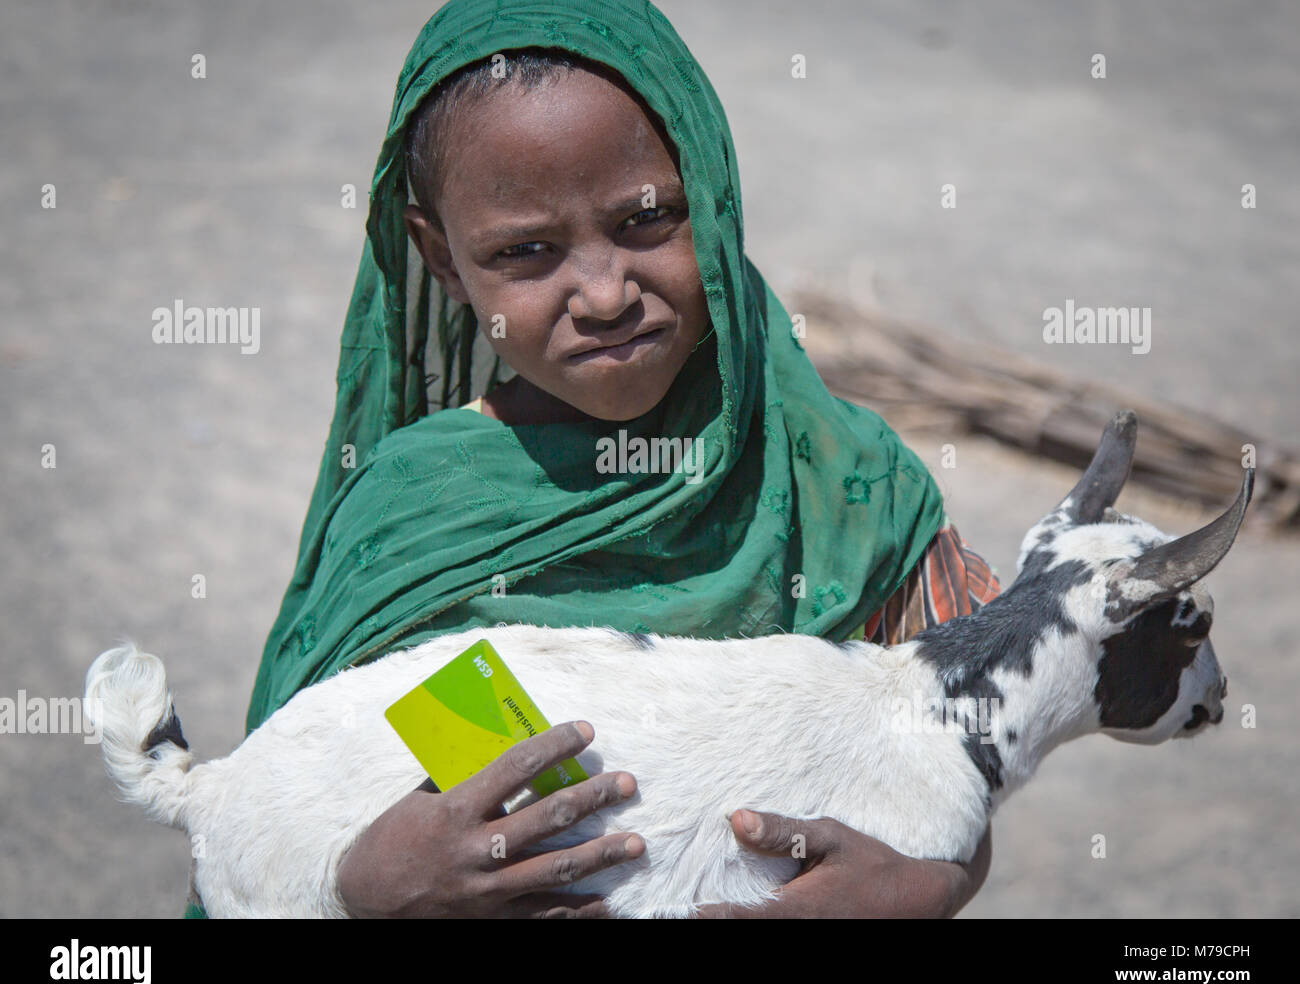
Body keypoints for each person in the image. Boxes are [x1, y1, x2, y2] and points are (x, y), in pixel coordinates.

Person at [187, 0, 1001, 918]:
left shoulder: (848, 487)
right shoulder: (407, 520)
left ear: (716, 193)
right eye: (525, 251)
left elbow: (977, 744)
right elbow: (260, 826)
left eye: (650, 219)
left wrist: (927, 881)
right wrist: (361, 884)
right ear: (444, 261)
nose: (608, 293)